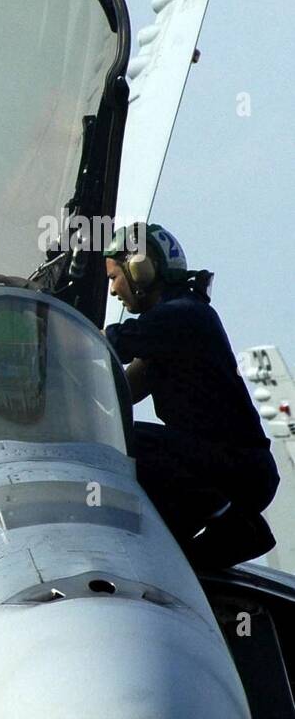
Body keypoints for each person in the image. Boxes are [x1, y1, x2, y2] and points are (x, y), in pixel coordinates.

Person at [103, 223, 279, 568]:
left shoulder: (182, 315)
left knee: (127, 441)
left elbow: (104, 343)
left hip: (236, 467)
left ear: (139, 268)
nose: (112, 291)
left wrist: (36, 314)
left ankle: (236, 527)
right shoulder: (172, 329)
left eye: (113, 277)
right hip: (219, 465)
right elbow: (116, 398)